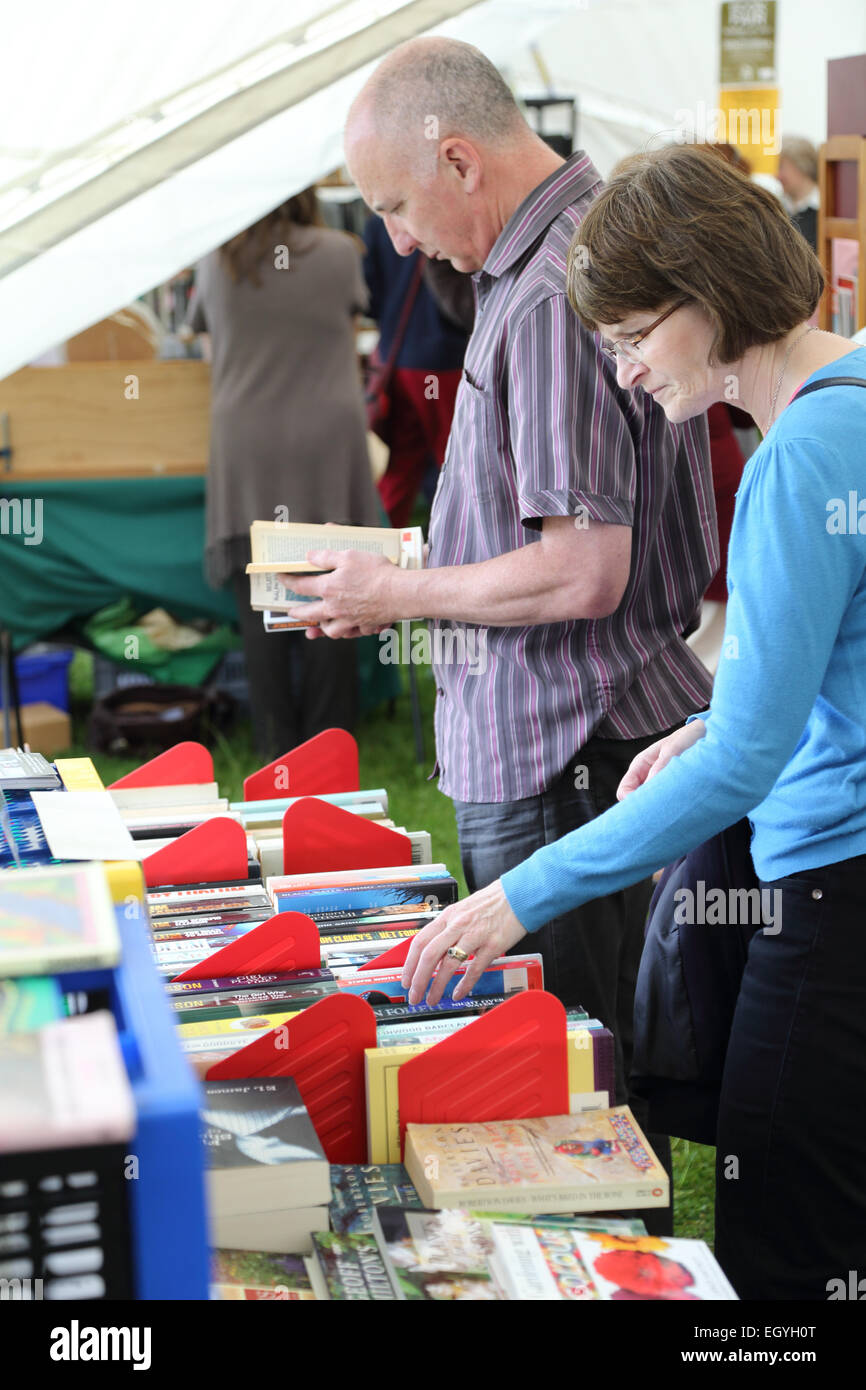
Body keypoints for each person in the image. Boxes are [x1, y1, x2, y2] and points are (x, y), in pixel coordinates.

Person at [399, 142, 866, 1301]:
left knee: (782, 1242)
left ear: (705, 297)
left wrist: (519, 894)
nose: (618, 374)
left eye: (628, 338)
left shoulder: (799, 454)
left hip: (830, 889)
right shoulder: (841, 407)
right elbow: (819, 672)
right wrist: (714, 720)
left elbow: (749, 765)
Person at [286, 39, 717, 1135]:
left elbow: (582, 571)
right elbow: (548, 529)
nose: (394, 238)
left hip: (563, 754)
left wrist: (398, 594)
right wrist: (403, 577)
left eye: (395, 203)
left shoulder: (546, 297)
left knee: (572, 1110)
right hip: (567, 748)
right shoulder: (556, 265)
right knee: (575, 1093)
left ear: (460, 161)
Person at [187, 188, 382, 761]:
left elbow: (205, 344)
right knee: (336, 579)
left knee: (260, 587)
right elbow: (348, 328)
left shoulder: (216, 260)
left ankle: (276, 745)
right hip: (325, 433)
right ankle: (329, 744)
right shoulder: (341, 252)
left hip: (249, 437)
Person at [362, 215, 470, 526]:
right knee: (456, 462)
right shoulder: (445, 212)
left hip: (396, 360)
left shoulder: (379, 220)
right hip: (441, 360)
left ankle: (376, 546)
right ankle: (462, 546)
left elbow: (369, 296)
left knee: (401, 465)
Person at [777, 136, 820, 250]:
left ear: (802, 166)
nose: (777, 175)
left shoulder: (826, 211)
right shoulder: (779, 209)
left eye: (781, 167)